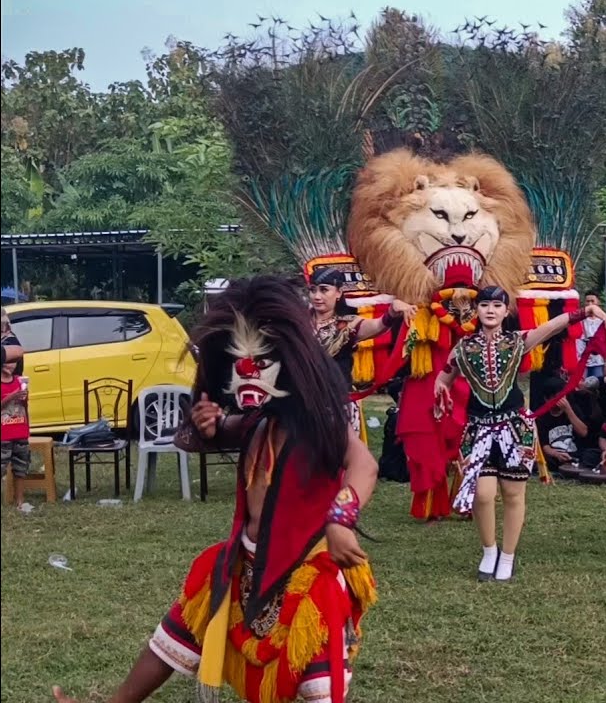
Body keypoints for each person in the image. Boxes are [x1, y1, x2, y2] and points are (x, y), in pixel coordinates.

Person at [53, 276, 379, 703]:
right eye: (238, 364)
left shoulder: (320, 425)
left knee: (318, 684)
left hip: (307, 571)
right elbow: (194, 438)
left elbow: (364, 463)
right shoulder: (257, 423)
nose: (248, 375)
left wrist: (340, 520)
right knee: (174, 634)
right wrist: (201, 424)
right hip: (246, 561)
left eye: (261, 362)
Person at [434, 286, 606, 582]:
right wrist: (440, 390)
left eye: (496, 305)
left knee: (514, 493)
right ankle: (489, 551)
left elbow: (551, 326)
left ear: (506, 311)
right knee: (483, 493)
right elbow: (444, 376)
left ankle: (508, 555)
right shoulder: (463, 348)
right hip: (478, 429)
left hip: (514, 427)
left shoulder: (517, 341)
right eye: (484, 305)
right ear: (477, 310)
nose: (490, 310)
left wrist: (586, 311)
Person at [308, 267, 416, 440]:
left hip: (336, 405)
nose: (317, 296)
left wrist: (392, 311)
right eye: (312, 290)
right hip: (301, 404)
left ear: (339, 292)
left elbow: (378, 326)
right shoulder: (298, 322)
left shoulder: (349, 324)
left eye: (324, 289)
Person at [1, 359, 31, 500]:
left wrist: (24, 397)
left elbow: (24, 406)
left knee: (21, 468)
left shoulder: (20, 381)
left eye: (14, 363)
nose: (11, 366)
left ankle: (20, 502)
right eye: (7, 362)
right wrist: (11, 397)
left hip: (20, 430)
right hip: (3, 434)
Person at [577, 291, 606, 381]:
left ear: (598, 302)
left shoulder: (603, 321)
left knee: (597, 385)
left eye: (592, 301)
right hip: (582, 361)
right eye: (587, 301)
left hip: (598, 360)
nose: (590, 304)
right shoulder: (579, 320)